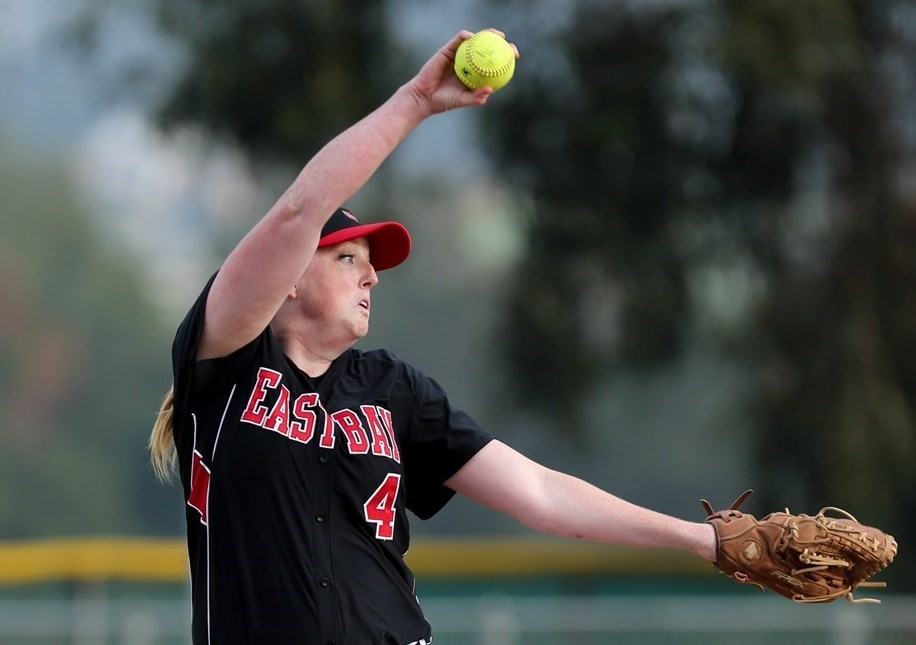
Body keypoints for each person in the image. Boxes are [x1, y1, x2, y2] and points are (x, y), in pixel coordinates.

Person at [149, 29, 716, 645]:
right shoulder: (225, 363)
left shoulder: (394, 391)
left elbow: (540, 493)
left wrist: (699, 539)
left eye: (372, 263)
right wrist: (416, 101)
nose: (371, 275)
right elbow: (299, 211)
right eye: (348, 259)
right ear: (287, 278)